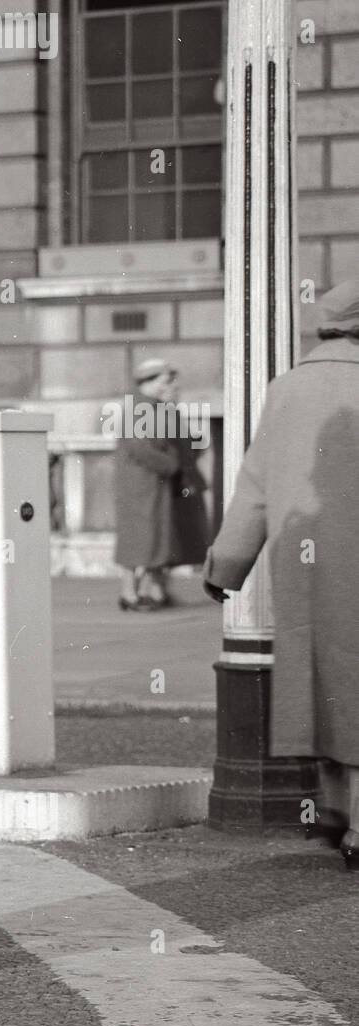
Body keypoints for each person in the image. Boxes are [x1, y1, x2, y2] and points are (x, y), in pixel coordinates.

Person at [204, 279, 359, 870]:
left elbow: (257, 486)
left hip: (303, 557)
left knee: (321, 676)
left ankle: (334, 807)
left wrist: (227, 563)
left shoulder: (288, 388)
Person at [112, 356, 209, 611]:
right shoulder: (139, 407)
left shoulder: (157, 406)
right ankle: (129, 593)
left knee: (157, 538)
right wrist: (172, 464)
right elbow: (140, 448)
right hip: (142, 483)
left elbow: (179, 441)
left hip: (157, 483)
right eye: (164, 380)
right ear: (149, 381)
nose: (169, 385)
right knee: (139, 539)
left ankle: (152, 590)